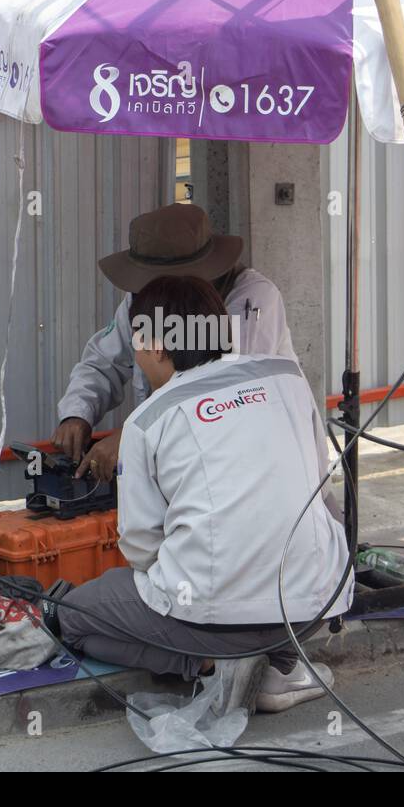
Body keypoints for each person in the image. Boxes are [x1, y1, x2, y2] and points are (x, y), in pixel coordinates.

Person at [58, 276, 352, 714]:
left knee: (74, 616)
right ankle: (282, 668)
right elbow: (313, 479)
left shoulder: (147, 420)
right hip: (317, 601)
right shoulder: (287, 378)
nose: (137, 358)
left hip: (213, 618)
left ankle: (210, 663)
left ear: (155, 347)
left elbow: (141, 549)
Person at [52, 203, 295, 482]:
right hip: (183, 469)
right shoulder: (140, 299)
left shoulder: (253, 300)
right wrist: (76, 413)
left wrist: (134, 436)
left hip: (259, 469)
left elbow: (221, 388)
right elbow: (104, 362)